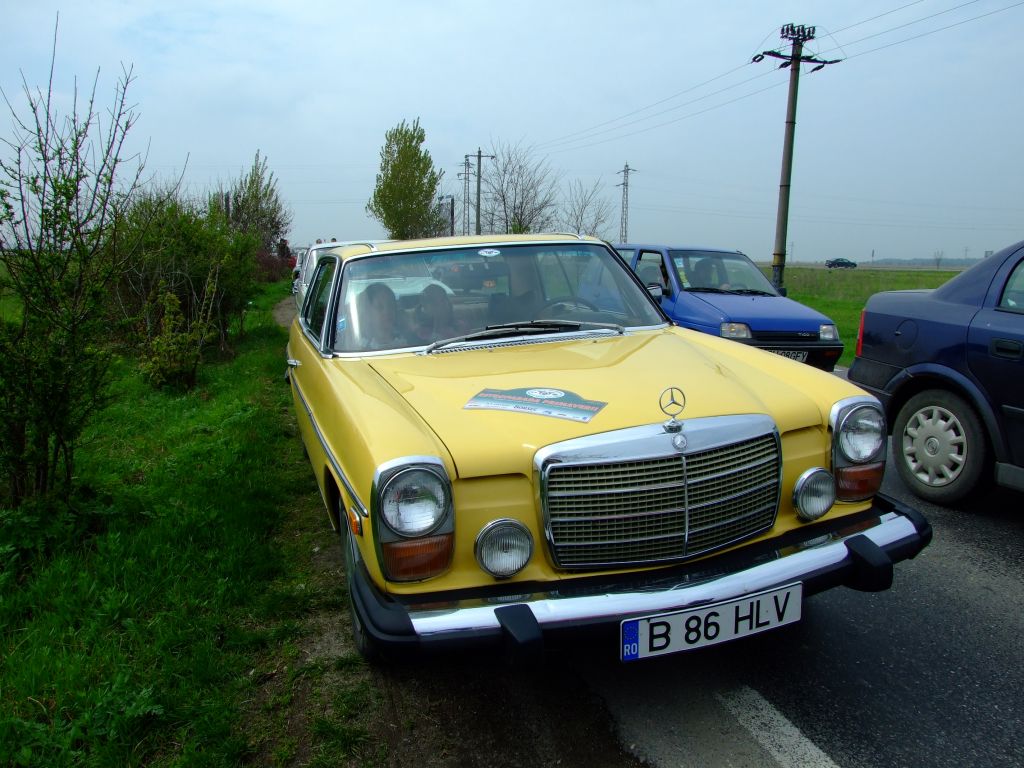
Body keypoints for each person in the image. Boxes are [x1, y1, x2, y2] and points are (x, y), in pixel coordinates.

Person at [355, 283, 404, 350]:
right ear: (368, 313)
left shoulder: (406, 339)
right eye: (379, 307)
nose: (387, 311)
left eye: (391, 305)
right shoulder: (360, 347)